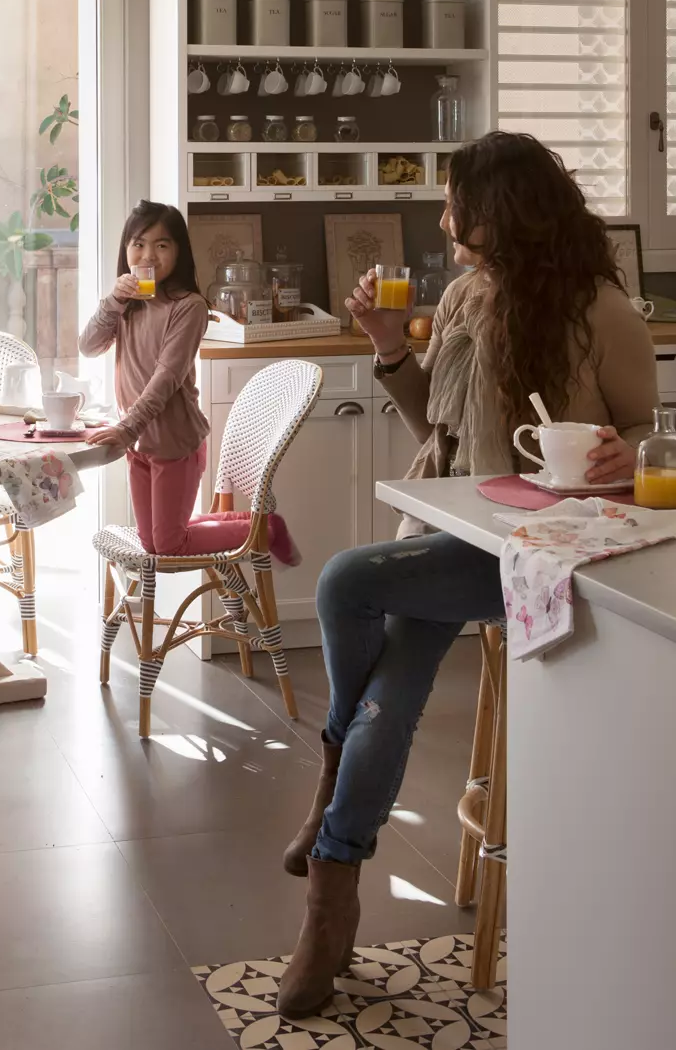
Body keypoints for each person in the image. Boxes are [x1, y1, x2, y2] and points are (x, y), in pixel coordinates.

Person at [277, 132, 658, 1019]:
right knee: (386, 700)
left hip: (540, 555)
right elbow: (435, 437)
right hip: (450, 533)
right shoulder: (459, 297)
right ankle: (331, 902)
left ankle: (330, 806)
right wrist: (385, 346)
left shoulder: (602, 312)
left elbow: (651, 433)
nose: (444, 218)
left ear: (501, 211)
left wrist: (620, 455)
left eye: (456, 203)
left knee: (341, 580)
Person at [80, 200, 298, 564]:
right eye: (138, 244)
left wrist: (126, 428)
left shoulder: (189, 306)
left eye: (161, 245)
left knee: (168, 544)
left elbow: (166, 377)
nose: (148, 255)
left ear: (179, 251)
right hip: (138, 442)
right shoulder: (127, 305)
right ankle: (249, 521)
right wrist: (113, 300)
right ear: (126, 250)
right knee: (154, 543)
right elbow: (88, 347)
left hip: (174, 443)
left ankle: (266, 528)